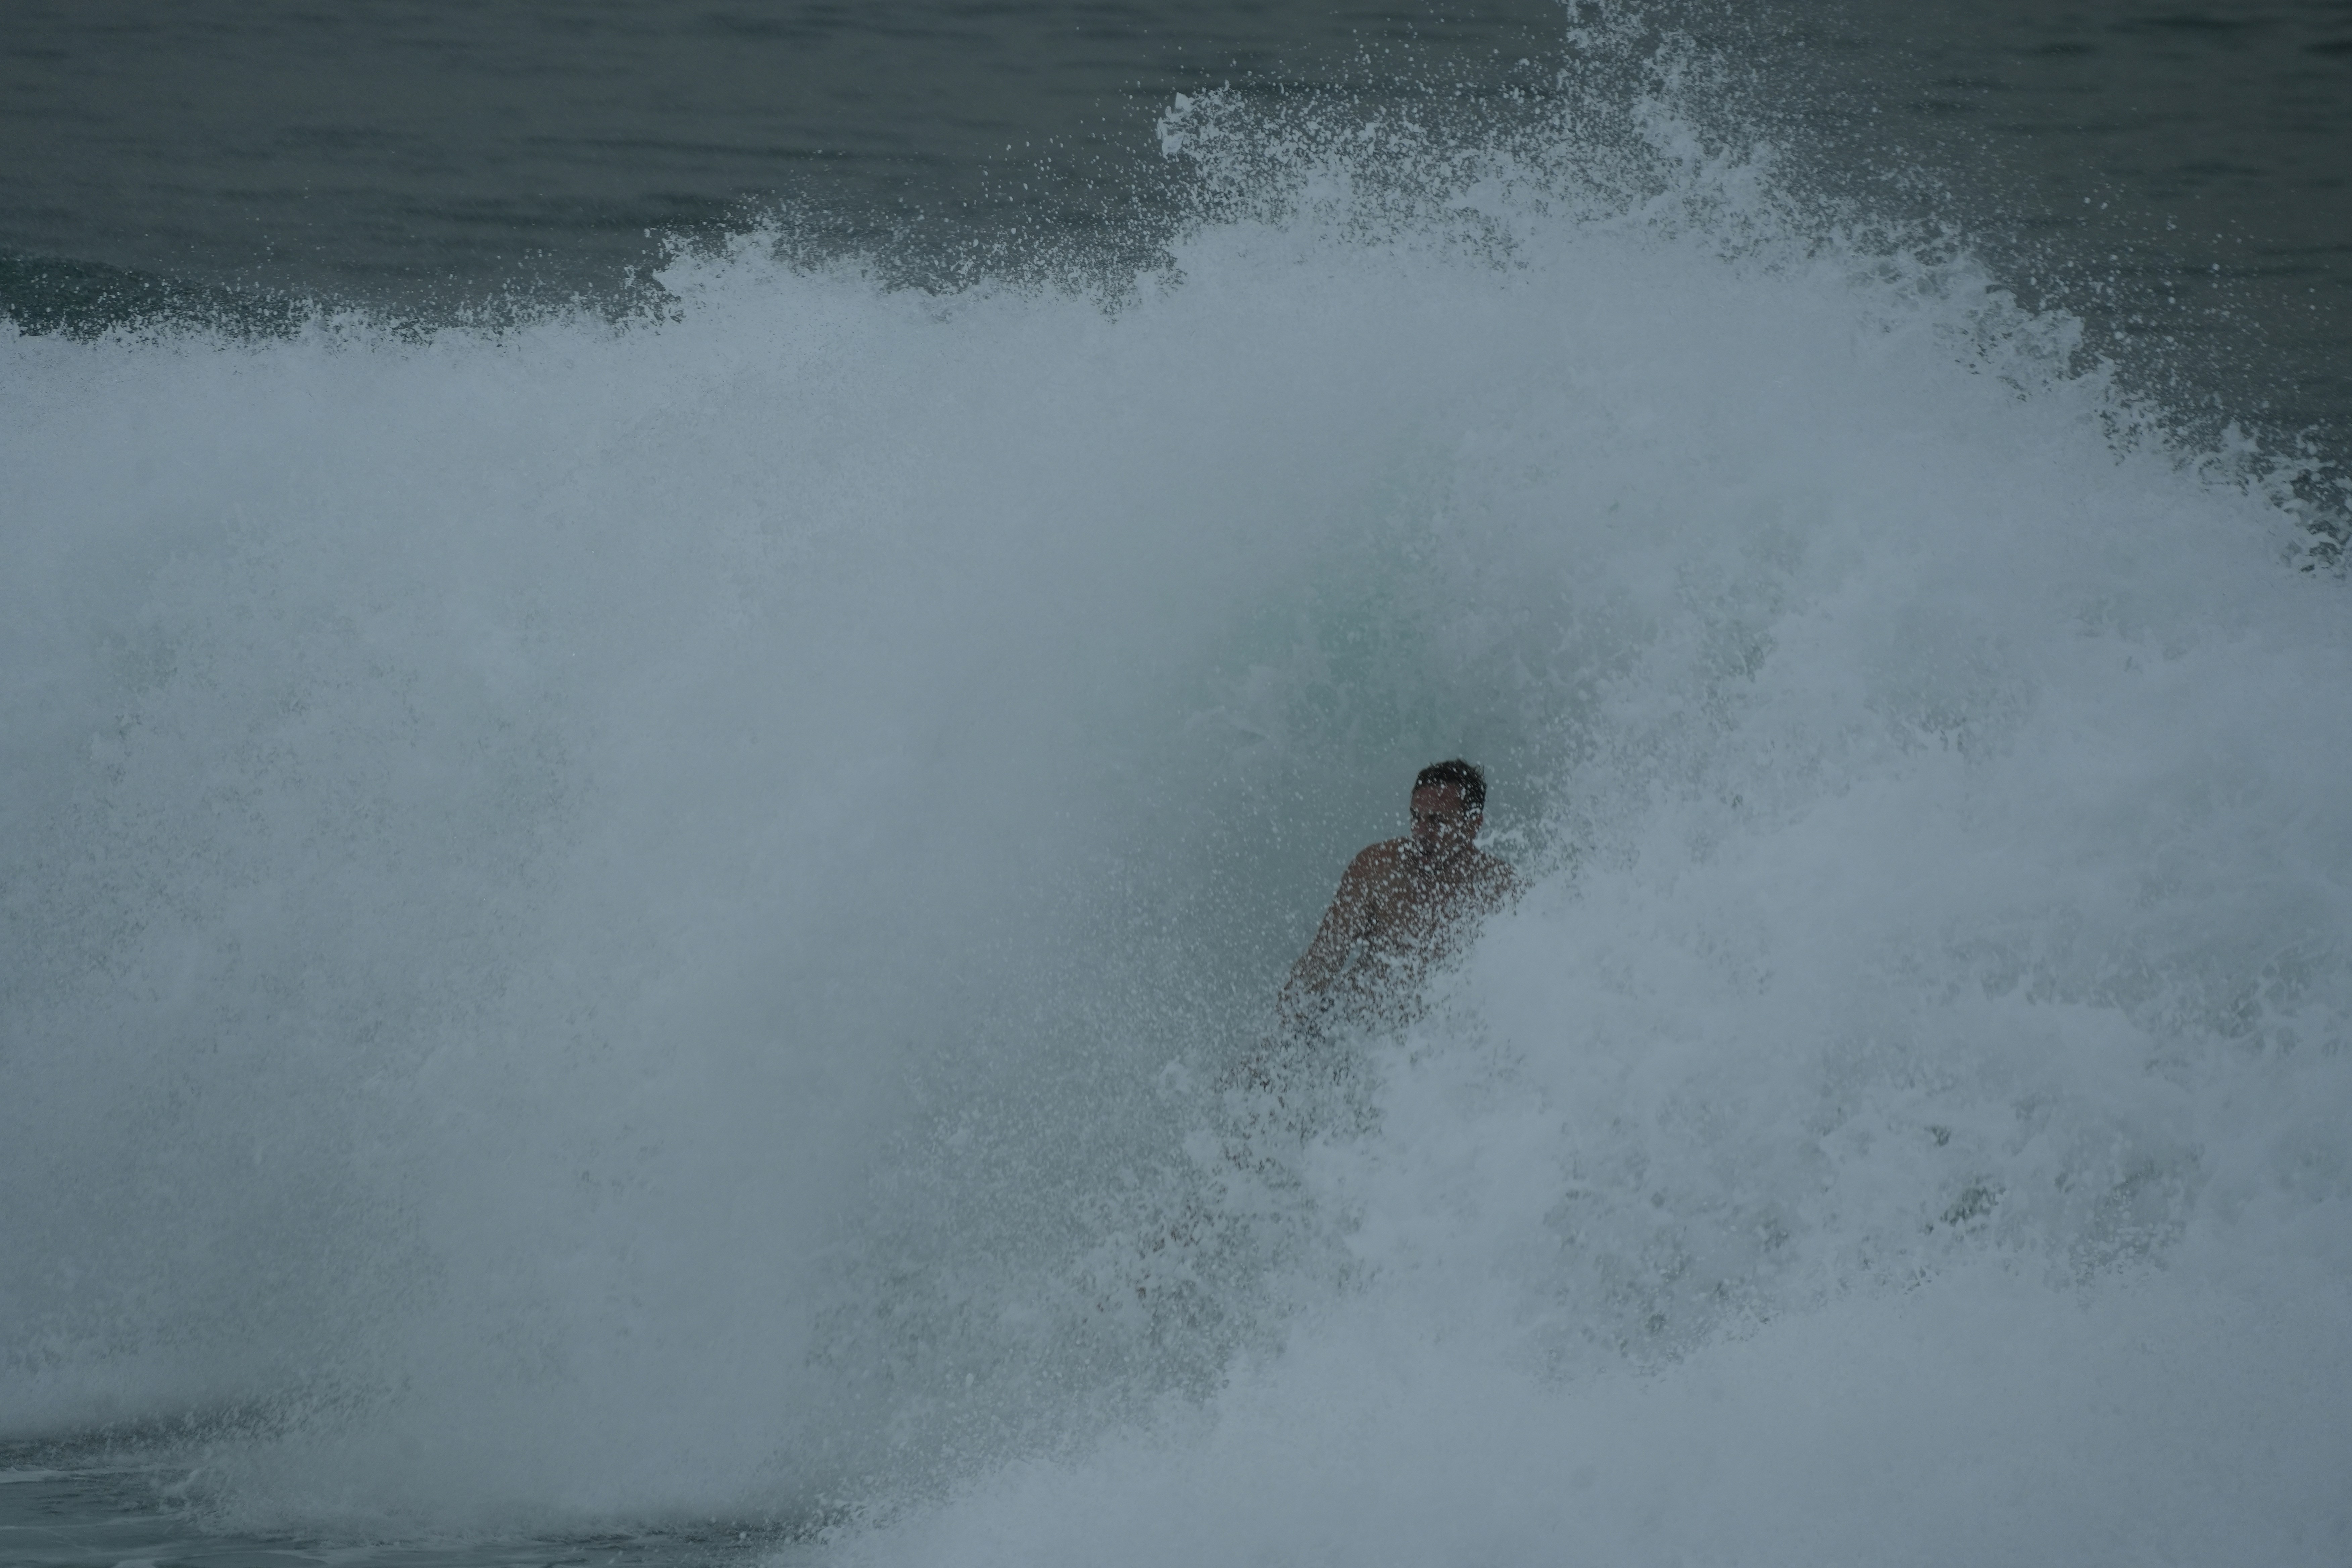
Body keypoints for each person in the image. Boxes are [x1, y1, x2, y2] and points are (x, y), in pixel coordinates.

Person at [1277, 759, 1520, 1034]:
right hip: (1347, 1031)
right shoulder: (1378, 868)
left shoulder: (1502, 890)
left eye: (1437, 821)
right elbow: (1322, 961)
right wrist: (1286, 1030)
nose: (1422, 833)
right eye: (1416, 817)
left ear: (1473, 825)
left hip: (1433, 1049)